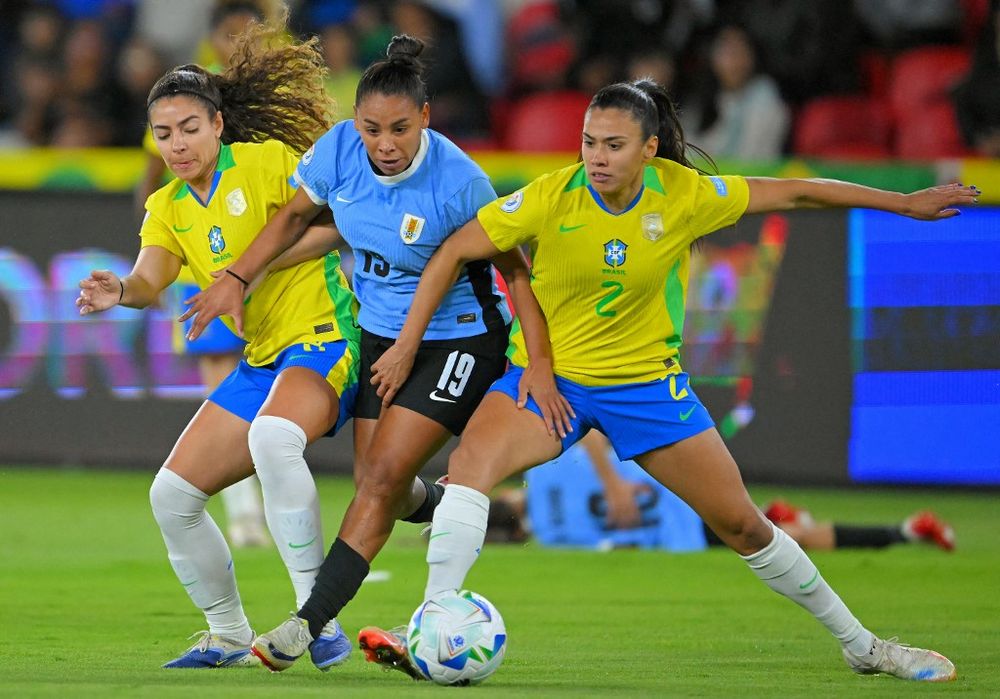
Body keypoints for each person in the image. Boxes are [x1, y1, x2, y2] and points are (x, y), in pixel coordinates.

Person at [359, 78, 978, 681]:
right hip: (555, 386)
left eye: (613, 145)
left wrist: (900, 203)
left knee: (743, 526)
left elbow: (798, 193)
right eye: (588, 141)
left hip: (646, 389)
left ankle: (864, 646)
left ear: (649, 149)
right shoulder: (552, 195)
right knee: (468, 470)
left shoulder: (684, 195)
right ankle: (432, 625)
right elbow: (454, 252)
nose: (596, 158)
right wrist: (452, 348)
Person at [179, 34, 549, 673]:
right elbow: (295, 218)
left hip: (458, 339)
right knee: (383, 484)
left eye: (400, 129)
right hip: (382, 338)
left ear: (426, 119)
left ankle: (307, 625)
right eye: (372, 128)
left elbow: (516, 272)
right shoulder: (339, 153)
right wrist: (238, 278)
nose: (385, 143)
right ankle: (461, 506)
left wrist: (537, 362)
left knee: (378, 481)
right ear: (355, 124)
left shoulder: (461, 182)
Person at [76, 22, 363, 670]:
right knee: (170, 496)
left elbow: (342, 222)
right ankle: (228, 632)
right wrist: (119, 288)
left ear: (217, 124)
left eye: (188, 128)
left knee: (271, 439)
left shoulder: (265, 163)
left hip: (325, 338)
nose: (175, 144)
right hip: (264, 361)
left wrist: (256, 265)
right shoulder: (168, 206)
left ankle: (315, 620)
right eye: (163, 133)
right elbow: (153, 278)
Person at [132, 1, 271, 550]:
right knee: (220, 367)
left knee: (266, 372)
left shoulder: (264, 125)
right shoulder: (180, 104)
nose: (240, 41)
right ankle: (243, 511)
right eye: (231, 33)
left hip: (262, 258)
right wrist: (167, 236)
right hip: (202, 256)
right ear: (215, 37)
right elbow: (149, 184)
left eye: (249, 33)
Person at [487, 431, 957, 553]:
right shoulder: (548, 489)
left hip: (675, 508)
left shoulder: (552, 521)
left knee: (786, 537)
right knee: (784, 536)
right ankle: (905, 530)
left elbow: (590, 435)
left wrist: (613, 488)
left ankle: (904, 531)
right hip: (678, 502)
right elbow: (588, 435)